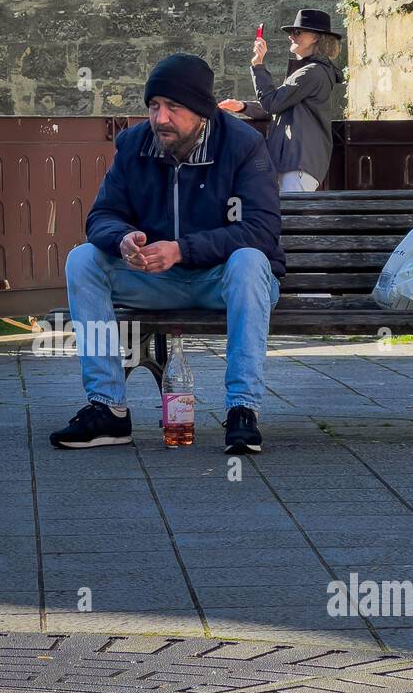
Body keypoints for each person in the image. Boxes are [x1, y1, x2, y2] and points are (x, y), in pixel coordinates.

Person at [49, 53, 285, 455]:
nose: (161, 119)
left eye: (174, 108)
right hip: (157, 281)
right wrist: (122, 238)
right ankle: (108, 409)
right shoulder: (134, 145)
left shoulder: (244, 145)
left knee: (249, 260)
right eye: (155, 106)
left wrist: (181, 249)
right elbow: (103, 215)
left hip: (222, 281)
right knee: (83, 259)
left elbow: (260, 231)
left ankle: (243, 410)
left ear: (202, 112)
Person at [218, 8, 343, 192]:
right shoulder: (312, 71)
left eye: (297, 32)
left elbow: (273, 103)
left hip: (298, 164)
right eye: (292, 32)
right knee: (286, 218)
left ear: (315, 38)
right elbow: (280, 106)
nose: (291, 36)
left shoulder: (312, 72)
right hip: (294, 163)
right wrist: (243, 106)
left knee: (292, 220)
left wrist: (258, 64)